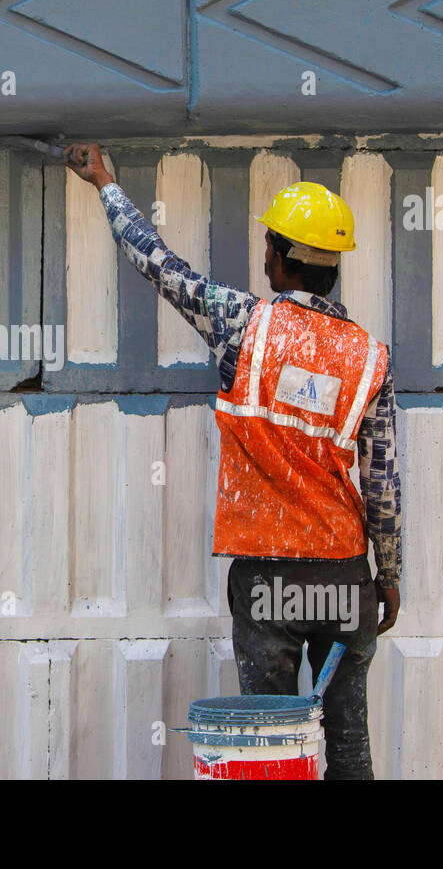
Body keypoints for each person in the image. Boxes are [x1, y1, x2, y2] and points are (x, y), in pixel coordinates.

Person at [63, 142, 401, 779]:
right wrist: (389, 577)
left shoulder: (244, 325)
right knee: (349, 746)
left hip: (268, 579)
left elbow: (159, 265)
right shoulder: (369, 358)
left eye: (268, 245)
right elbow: (382, 484)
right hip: (344, 575)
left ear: (277, 256)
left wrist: (105, 182)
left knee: (269, 747)